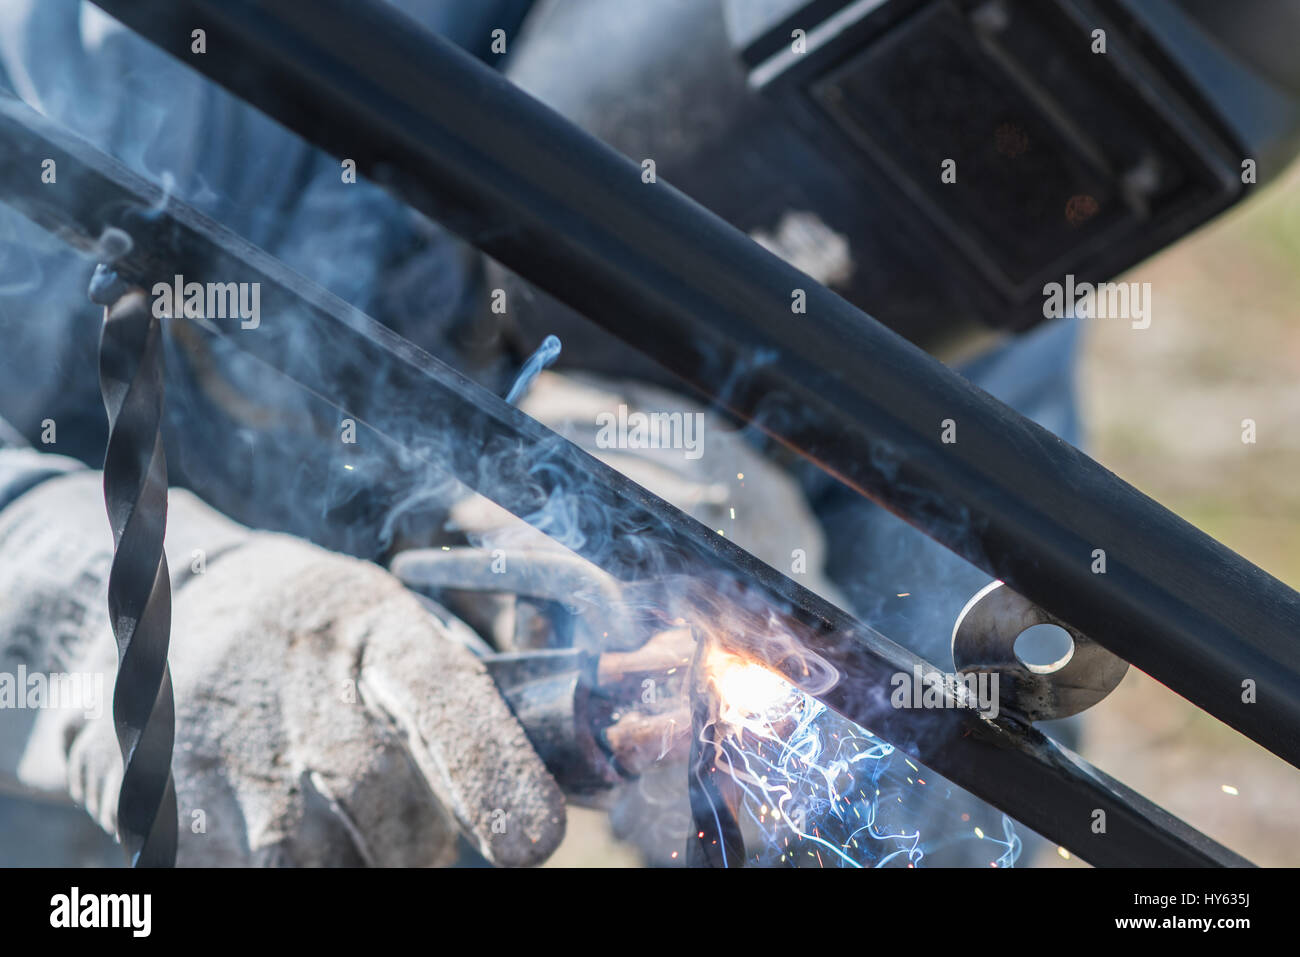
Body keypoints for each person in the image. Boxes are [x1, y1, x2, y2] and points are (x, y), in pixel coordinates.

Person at [0, 0, 1083, 866]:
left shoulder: (995, 168)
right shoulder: (85, 46)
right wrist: (125, 620)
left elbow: (980, 754)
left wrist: (840, 795)